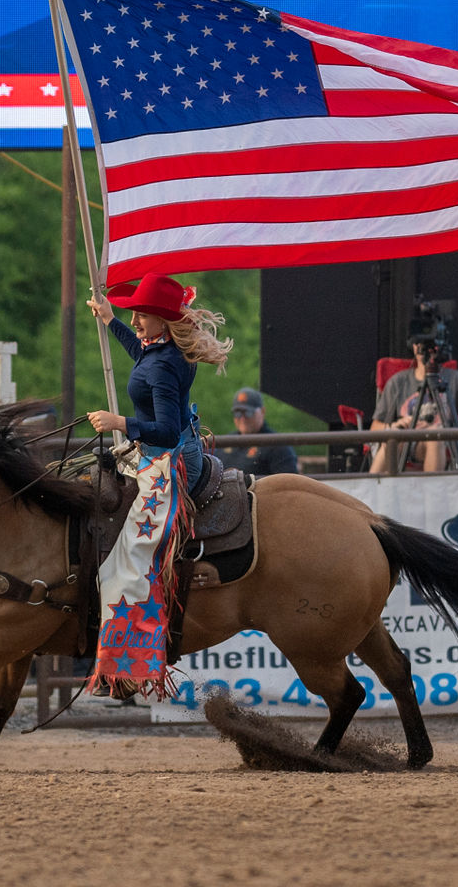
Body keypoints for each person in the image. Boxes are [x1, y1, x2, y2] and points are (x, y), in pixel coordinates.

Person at [84, 272, 232, 699]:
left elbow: (165, 430)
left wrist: (119, 421)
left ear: (163, 321)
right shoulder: (162, 351)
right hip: (164, 450)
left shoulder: (165, 363)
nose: (135, 321)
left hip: (168, 458)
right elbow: (141, 359)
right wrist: (110, 319)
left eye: (141, 315)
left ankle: (130, 665)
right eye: (133, 313)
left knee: (132, 554)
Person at [368, 332, 458, 474]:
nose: (426, 349)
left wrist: (437, 427)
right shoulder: (398, 381)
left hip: (440, 440)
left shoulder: (457, 379)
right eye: (420, 344)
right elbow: (374, 428)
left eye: (431, 344)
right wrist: (395, 425)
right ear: (414, 347)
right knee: (392, 437)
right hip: (406, 437)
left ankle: (431, 488)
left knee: (434, 436)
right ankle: (371, 486)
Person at [223, 387, 298, 478]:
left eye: (248, 412)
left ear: (262, 411)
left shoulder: (277, 445)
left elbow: (289, 483)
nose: (242, 418)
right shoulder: (225, 442)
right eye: (237, 413)